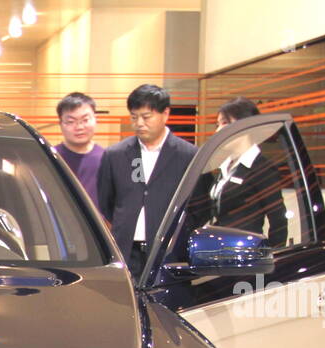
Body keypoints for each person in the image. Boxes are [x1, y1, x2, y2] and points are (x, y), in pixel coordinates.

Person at [96, 84, 197, 277]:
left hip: (168, 252)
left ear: (165, 114)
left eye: (146, 117)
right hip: (126, 251)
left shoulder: (187, 155)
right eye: (134, 117)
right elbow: (107, 202)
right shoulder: (116, 154)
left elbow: (198, 205)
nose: (139, 123)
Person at [209, 96, 288, 246]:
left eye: (224, 123)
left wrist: (272, 259)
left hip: (244, 256)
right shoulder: (226, 166)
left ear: (244, 127)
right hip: (220, 252)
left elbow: (278, 220)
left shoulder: (262, 168)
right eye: (217, 124)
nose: (218, 130)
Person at [54, 92, 104, 200]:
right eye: (71, 121)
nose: (79, 127)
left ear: (96, 119)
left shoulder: (107, 159)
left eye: (85, 120)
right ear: (60, 124)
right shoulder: (51, 158)